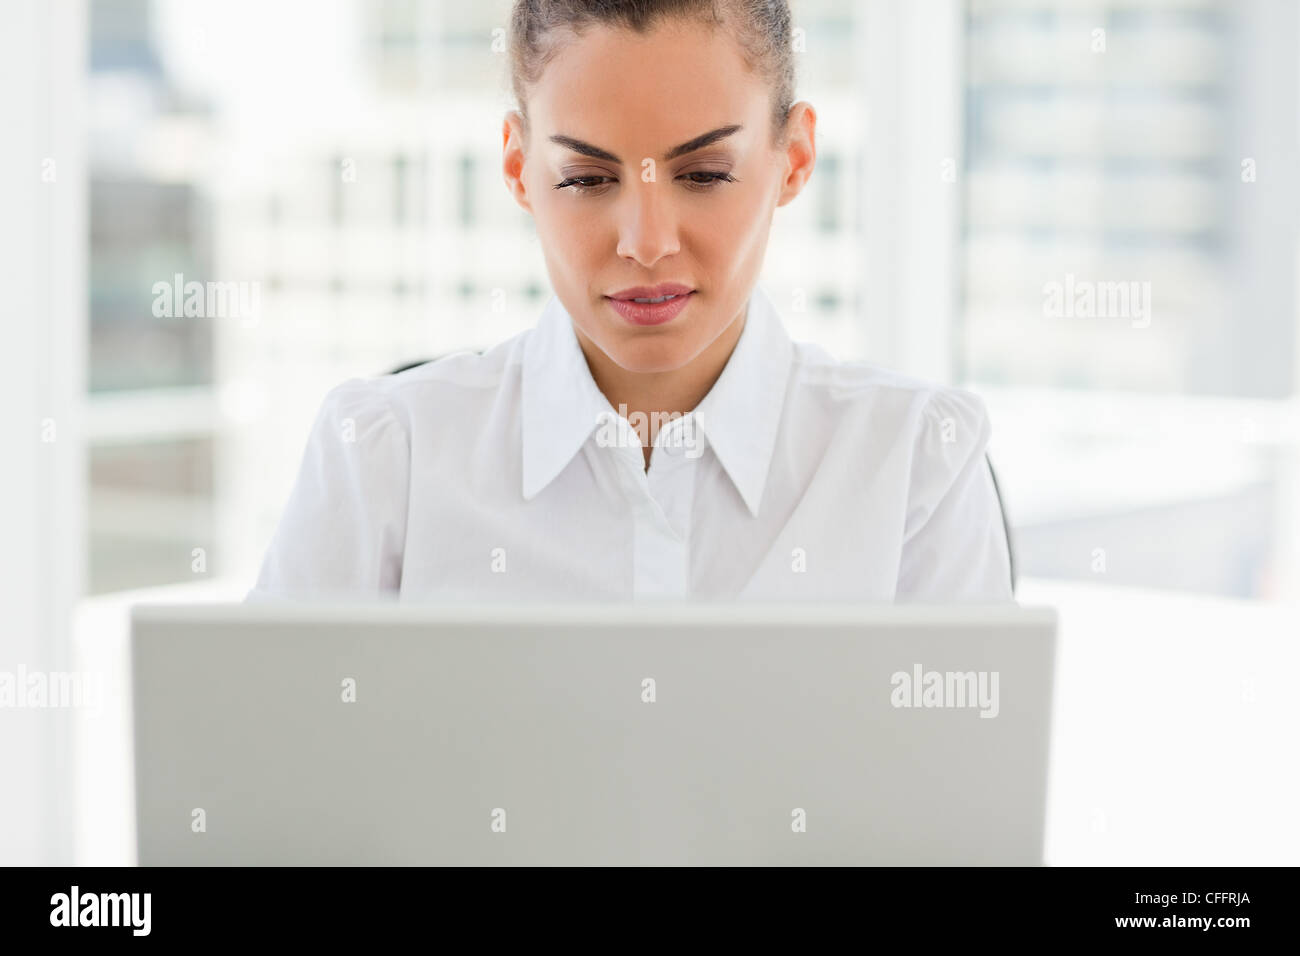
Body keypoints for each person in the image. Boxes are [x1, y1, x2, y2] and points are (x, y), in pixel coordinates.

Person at [249, 0, 1014, 603]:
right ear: (519, 169)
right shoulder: (386, 456)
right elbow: (261, 780)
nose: (646, 243)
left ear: (795, 159)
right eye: (586, 179)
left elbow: (961, 797)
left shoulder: (918, 466)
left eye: (706, 173)